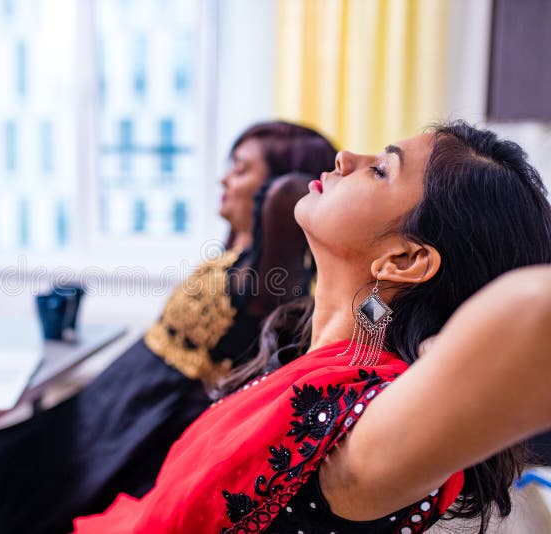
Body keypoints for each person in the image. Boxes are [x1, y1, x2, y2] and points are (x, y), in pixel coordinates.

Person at [72, 121, 551, 534]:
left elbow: (532, 315)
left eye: (382, 170)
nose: (345, 157)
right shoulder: (309, 355)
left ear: (405, 259)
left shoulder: (357, 424)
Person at [0, 121, 337, 534]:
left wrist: (295, 196)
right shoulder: (236, 256)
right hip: (116, 400)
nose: (224, 177)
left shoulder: (269, 278)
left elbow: (285, 209)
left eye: (242, 169)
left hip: (139, 424)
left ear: (277, 191)